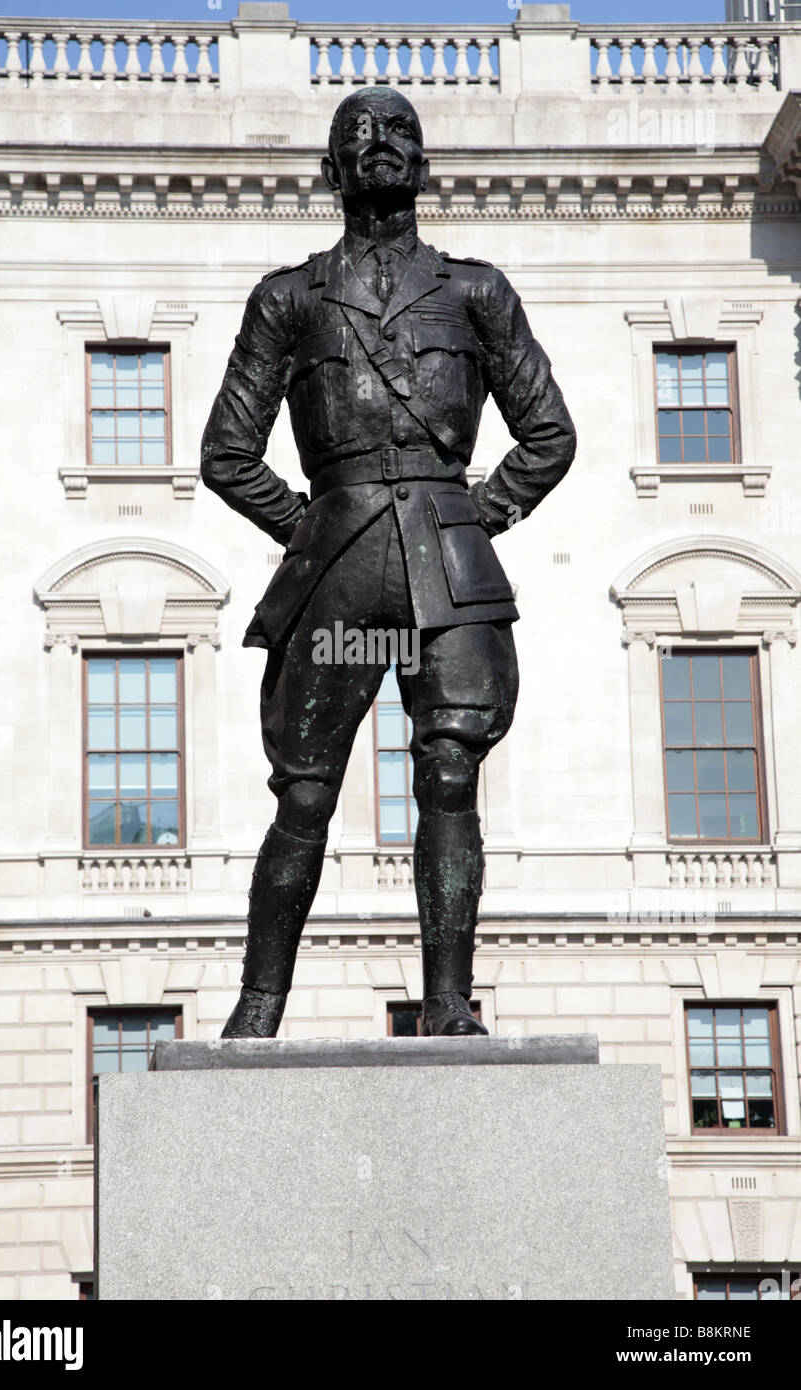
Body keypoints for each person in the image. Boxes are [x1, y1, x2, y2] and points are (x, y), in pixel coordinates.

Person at [201, 87, 576, 1038]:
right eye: (360, 135)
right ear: (329, 171)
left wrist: (474, 518)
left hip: (449, 563)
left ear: (424, 163)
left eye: (400, 132)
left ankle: (449, 1002)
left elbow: (548, 434)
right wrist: (310, 528)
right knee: (307, 790)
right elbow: (227, 452)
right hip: (338, 560)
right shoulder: (287, 298)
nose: (383, 146)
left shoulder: (476, 290)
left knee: (450, 770)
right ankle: (258, 1006)